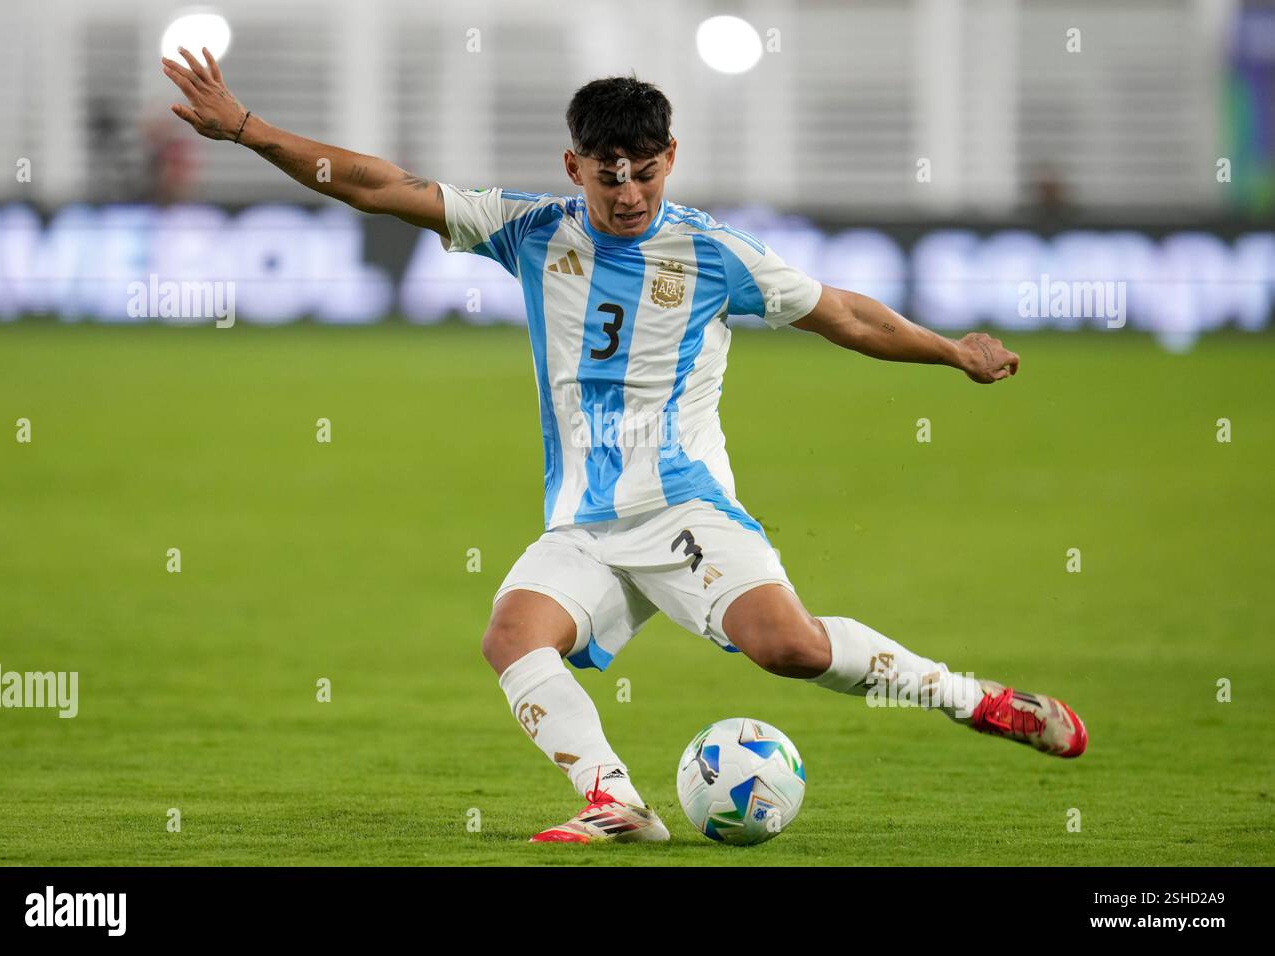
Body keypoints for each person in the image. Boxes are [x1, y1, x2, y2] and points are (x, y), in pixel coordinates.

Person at [163, 50, 1086, 845]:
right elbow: (379, 185)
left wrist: (950, 350)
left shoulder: (714, 254)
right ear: (575, 165)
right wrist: (247, 128)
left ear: (670, 158)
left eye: (647, 170)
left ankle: (983, 703)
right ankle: (616, 801)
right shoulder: (527, 230)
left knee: (792, 652)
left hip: (681, 503)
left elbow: (841, 313)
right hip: (583, 523)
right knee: (512, 636)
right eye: (610, 174)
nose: (630, 191)